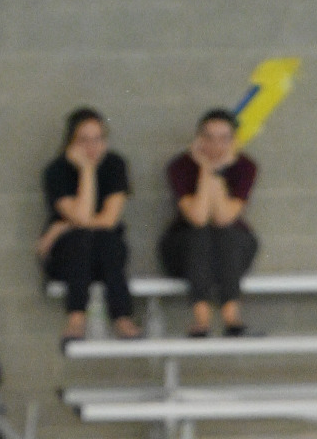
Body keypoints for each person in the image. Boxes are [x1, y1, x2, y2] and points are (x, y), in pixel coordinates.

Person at [37, 108, 140, 342]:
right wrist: (87, 170)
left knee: (107, 240)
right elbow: (82, 218)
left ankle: (122, 317)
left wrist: (62, 226)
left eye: (98, 139)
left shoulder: (114, 164)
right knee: (80, 240)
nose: (92, 147)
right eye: (84, 140)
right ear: (70, 143)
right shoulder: (57, 170)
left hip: (106, 254)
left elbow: (109, 220)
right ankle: (76, 318)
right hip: (66, 256)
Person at [158, 108, 259, 336]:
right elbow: (198, 217)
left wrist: (218, 173)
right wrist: (206, 170)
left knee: (226, 235)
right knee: (199, 234)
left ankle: (231, 316)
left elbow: (224, 218)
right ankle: (201, 318)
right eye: (209, 138)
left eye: (224, 139)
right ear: (198, 140)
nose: (216, 145)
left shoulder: (246, 167)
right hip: (184, 248)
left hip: (231, 247)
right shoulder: (180, 166)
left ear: (234, 141)